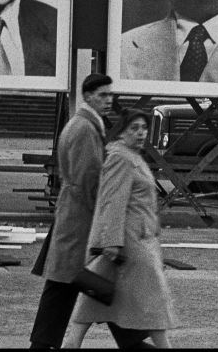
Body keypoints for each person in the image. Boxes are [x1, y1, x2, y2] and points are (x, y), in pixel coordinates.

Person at [29, 74, 151, 349]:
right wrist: (109, 226)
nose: (108, 100)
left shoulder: (83, 124)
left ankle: (44, 345)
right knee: (89, 285)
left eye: (110, 95)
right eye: (102, 95)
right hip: (82, 224)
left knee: (68, 288)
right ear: (87, 96)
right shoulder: (85, 128)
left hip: (73, 222)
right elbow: (91, 181)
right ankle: (132, 342)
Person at [63, 108, 179, 348]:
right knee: (152, 302)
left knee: (95, 301)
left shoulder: (133, 157)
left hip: (137, 240)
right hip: (131, 243)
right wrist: (112, 242)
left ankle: (71, 344)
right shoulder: (121, 158)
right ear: (122, 131)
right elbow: (112, 201)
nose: (140, 133)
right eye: (134, 128)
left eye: (144, 128)